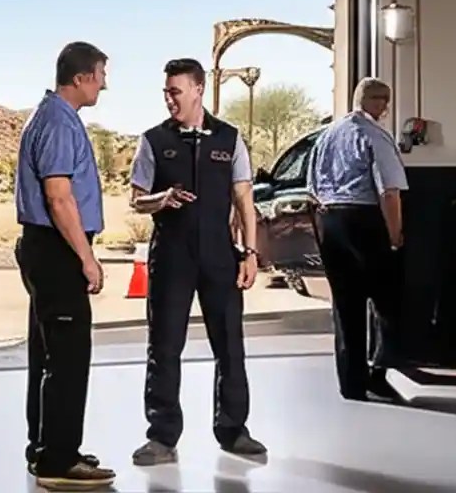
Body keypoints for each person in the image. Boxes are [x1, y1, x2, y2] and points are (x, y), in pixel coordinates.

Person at [127, 58, 269, 466]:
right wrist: (162, 199)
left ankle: (233, 430)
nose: (169, 98)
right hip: (171, 256)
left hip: (220, 256)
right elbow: (136, 199)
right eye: (166, 92)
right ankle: (161, 436)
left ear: (198, 90)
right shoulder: (152, 140)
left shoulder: (230, 139)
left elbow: (245, 200)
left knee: (229, 345)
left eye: (176, 91)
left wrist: (250, 254)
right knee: (164, 346)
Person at [14, 41, 115, 489]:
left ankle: (48, 447)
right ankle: (59, 460)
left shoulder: (53, 116)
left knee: (49, 354)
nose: (104, 83)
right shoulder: (57, 122)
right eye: (101, 75)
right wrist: (86, 258)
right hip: (57, 250)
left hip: (47, 248)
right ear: (81, 78)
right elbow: (58, 196)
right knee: (69, 358)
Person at [306, 76, 407, 402]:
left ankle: (351, 383)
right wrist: (394, 235)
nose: (386, 107)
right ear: (373, 101)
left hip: (330, 220)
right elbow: (389, 191)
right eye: (384, 100)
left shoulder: (328, 135)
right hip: (365, 219)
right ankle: (379, 371)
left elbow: (312, 187)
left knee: (346, 305)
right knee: (388, 302)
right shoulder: (374, 135)